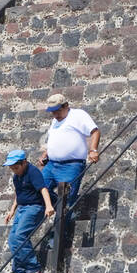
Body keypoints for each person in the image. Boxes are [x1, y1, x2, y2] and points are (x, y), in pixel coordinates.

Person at [38, 93, 100, 232]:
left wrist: (93, 150)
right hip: (52, 165)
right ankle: (55, 205)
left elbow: (95, 132)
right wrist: (45, 154)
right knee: (38, 190)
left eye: (57, 111)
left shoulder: (78, 115)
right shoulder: (55, 120)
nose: (55, 114)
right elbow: (53, 140)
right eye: (52, 112)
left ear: (66, 106)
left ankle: (59, 234)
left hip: (71, 166)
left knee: (66, 201)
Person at [2, 149, 54, 273]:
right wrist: (12, 210)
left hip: (34, 207)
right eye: (12, 168)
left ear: (24, 162)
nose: (14, 170)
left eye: (16, 167)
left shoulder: (32, 172)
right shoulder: (16, 177)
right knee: (12, 239)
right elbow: (19, 195)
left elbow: (43, 188)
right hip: (21, 209)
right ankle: (19, 270)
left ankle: (33, 268)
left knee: (20, 236)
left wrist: (48, 206)